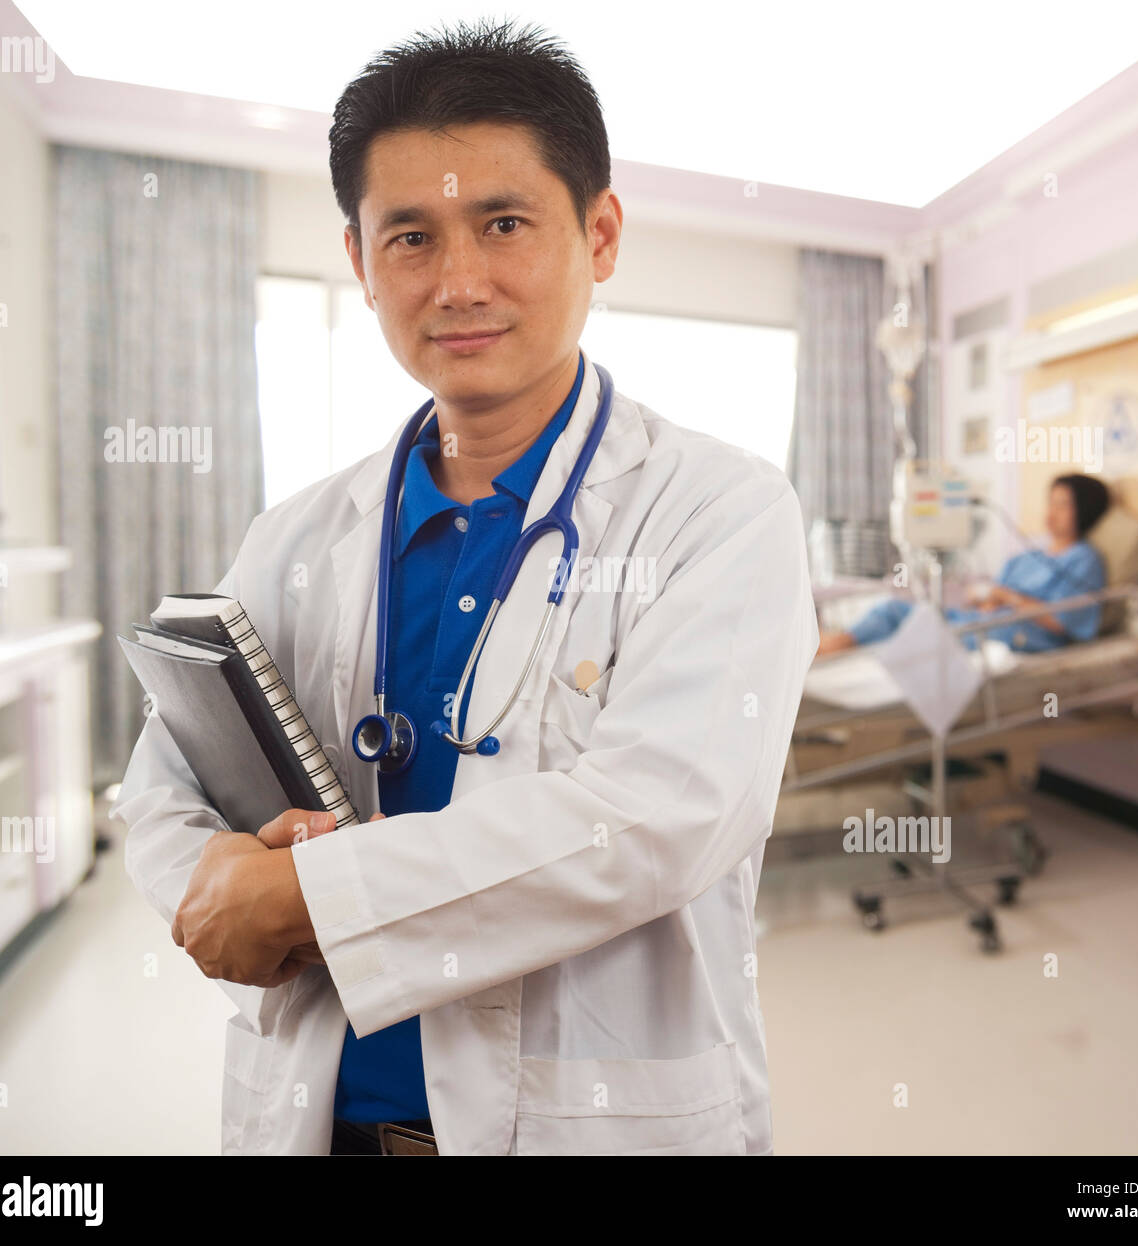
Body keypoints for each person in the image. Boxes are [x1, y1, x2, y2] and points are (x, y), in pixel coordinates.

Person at [111, 19, 817, 1157]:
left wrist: (302, 899)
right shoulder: (298, 532)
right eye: (410, 238)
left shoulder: (719, 510)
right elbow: (161, 783)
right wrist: (204, 877)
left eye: (503, 223)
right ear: (358, 262)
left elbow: (657, 817)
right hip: (319, 1111)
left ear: (599, 234)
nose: (459, 283)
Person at [816, 473, 1109, 657]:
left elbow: (1063, 622)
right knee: (894, 609)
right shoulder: (1027, 556)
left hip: (1021, 636)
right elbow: (989, 600)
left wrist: (1006, 597)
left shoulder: (1085, 559)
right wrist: (988, 600)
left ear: (1084, 511)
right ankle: (828, 647)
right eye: (1051, 502)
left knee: (923, 634)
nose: (1052, 512)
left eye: (1063, 505)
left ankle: (835, 652)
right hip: (983, 623)